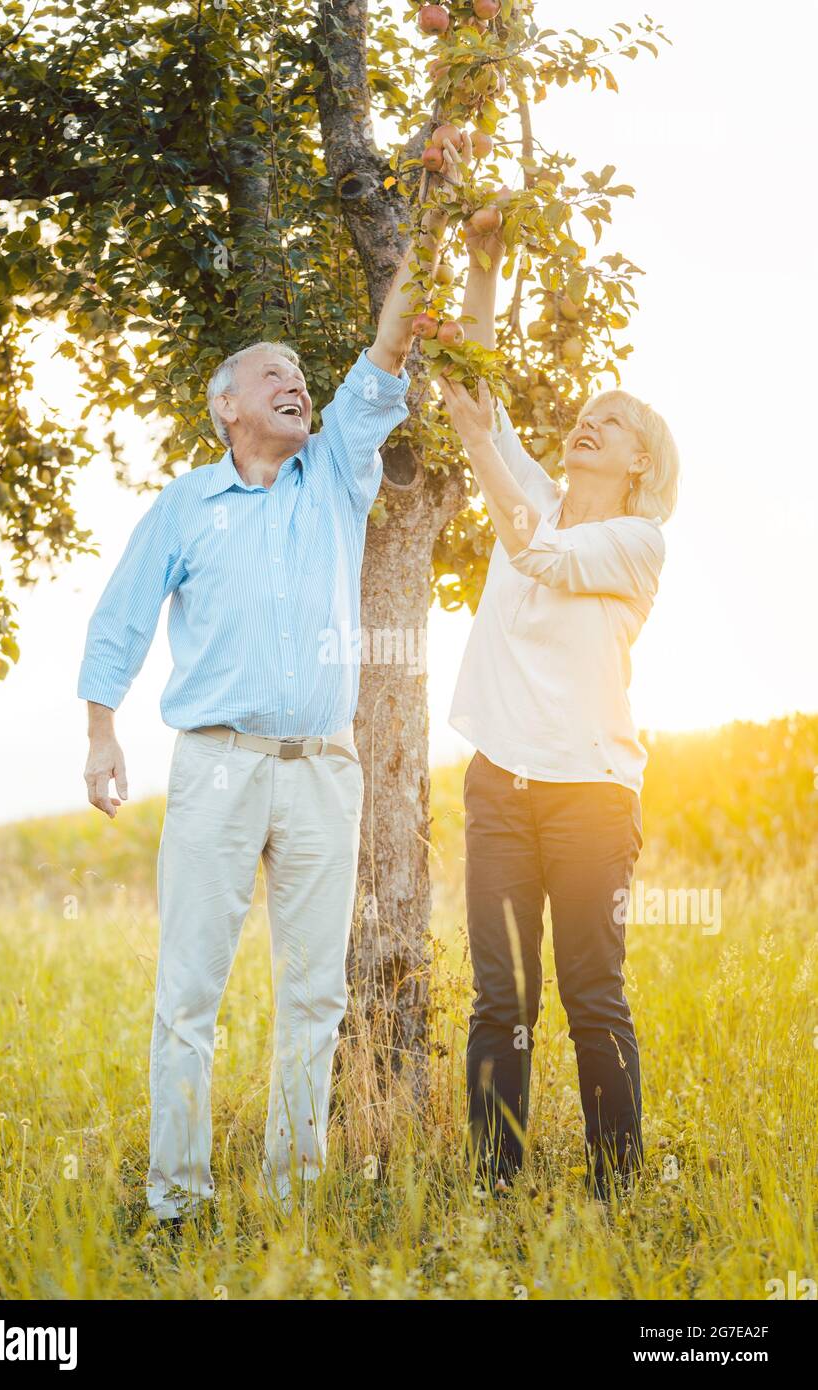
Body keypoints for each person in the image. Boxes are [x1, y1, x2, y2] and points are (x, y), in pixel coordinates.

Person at [78, 244, 430, 1221]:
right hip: (219, 767)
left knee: (314, 993)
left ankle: (293, 1199)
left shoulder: (337, 474)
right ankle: (175, 1202)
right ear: (226, 404)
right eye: (272, 372)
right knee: (189, 993)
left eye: (301, 377)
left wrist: (433, 209)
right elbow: (123, 613)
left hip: (324, 770)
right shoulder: (187, 501)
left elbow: (386, 352)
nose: (295, 384)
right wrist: (101, 729)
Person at [438, 136, 681, 1201]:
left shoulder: (636, 544)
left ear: (641, 462)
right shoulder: (529, 486)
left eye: (615, 422)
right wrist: (484, 262)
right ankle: (495, 1186)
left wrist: (485, 455)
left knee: (592, 991)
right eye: (589, 409)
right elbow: (476, 397)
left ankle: (617, 1185)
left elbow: (527, 538)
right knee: (501, 1000)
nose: (592, 418)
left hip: (590, 795)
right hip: (500, 786)